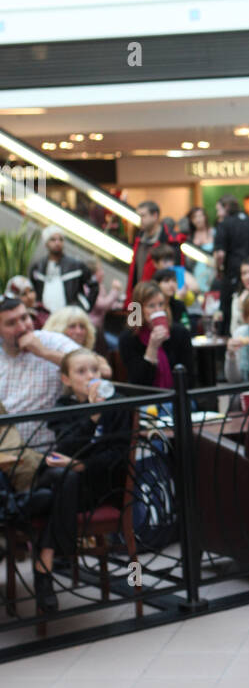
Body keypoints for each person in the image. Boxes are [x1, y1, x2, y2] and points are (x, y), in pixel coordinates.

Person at [30, 348, 131, 612]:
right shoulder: (63, 407)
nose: (90, 376)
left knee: (62, 484)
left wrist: (81, 465)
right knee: (64, 478)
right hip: (68, 484)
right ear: (66, 379)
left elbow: (118, 456)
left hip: (101, 486)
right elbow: (65, 446)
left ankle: (45, 561)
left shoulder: (118, 404)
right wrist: (92, 416)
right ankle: (50, 559)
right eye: (81, 371)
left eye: (95, 370)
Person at [0, 296, 78, 445]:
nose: (22, 327)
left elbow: (101, 368)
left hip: (43, 456)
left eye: (24, 318)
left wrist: (44, 352)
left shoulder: (50, 341)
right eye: (11, 323)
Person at [213, 196, 249, 336]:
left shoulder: (224, 224)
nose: (217, 214)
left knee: (228, 315)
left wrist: (219, 270)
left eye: (218, 210)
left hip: (234, 276)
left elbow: (220, 254)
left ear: (226, 208)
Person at [119, 281, 194, 387]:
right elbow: (139, 382)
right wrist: (152, 347)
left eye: (161, 304)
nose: (158, 310)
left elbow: (189, 375)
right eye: (151, 306)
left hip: (177, 397)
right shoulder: (129, 338)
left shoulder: (180, 333)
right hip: (147, 399)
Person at [30, 226, 98, 314]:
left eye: (60, 239)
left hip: (69, 317)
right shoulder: (38, 267)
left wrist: (84, 306)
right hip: (45, 317)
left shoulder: (75, 265)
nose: (57, 243)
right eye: (53, 239)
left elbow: (94, 286)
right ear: (46, 243)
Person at [125, 200, 180, 305]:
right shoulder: (139, 239)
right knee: (135, 321)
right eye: (139, 216)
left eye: (143, 216)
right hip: (138, 298)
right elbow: (134, 272)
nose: (140, 220)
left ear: (155, 216)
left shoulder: (170, 240)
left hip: (160, 302)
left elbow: (178, 272)